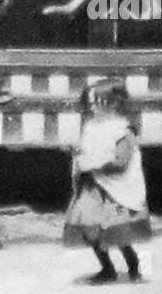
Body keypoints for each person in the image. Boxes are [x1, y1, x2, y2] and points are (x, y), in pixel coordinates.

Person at [64, 79, 151, 283]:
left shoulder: (123, 131)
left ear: (113, 103)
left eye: (98, 101)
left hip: (113, 187)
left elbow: (121, 162)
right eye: (90, 102)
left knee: (117, 231)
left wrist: (94, 163)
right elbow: (89, 150)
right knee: (88, 226)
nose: (92, 106)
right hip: (92, 186)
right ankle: (107, 268)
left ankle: (133, 265)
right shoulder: (91, 127)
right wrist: (79, 154)